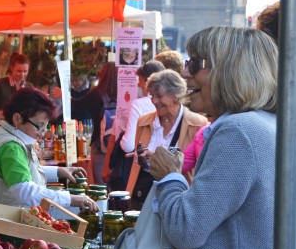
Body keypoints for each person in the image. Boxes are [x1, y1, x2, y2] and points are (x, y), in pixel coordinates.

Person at [147, 26, 277, 249]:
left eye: (196, 63)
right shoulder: (269, 126)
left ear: (231, 68)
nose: (187, 73)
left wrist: (170, 177)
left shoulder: (237, 132)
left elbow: (186, 226)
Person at [0, 88, 99, 213]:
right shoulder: (11, 147)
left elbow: (20, 170)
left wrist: (59, 171)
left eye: (44, 128)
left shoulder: (1, 133)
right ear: (17, 118)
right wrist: (70, 199)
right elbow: (25, 191)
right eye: (39, 126)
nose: (41, 134)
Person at [126, 69, 207, 209]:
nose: (154, 101)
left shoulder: (198, 124)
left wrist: (156, 155)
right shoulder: (144, 121)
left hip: (178, 197)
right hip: (144, 196)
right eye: (152, 96)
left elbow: (196, 166)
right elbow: (137, 164)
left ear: (175, 95)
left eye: (159, 96)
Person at [102, 60, 165, 189]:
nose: (138, 83)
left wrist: (126, 133)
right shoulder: (172, 105)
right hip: (165, 170)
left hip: (141, 172)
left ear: (149, 81)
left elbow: (128, 145)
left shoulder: (138, 105)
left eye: (140, 80)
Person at [71, 62, 118, 185]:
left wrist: (65, 96)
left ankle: (102, 204)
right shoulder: (124, 95)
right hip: (119, 145)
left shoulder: (97, 93)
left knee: (101, 184)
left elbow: (77, 104)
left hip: (100, 144)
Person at [0, 53, 29, 124]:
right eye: (19, 71)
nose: (22, 75)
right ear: (11, 68)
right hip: (2, 128)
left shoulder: (30, 88)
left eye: (25, 71)